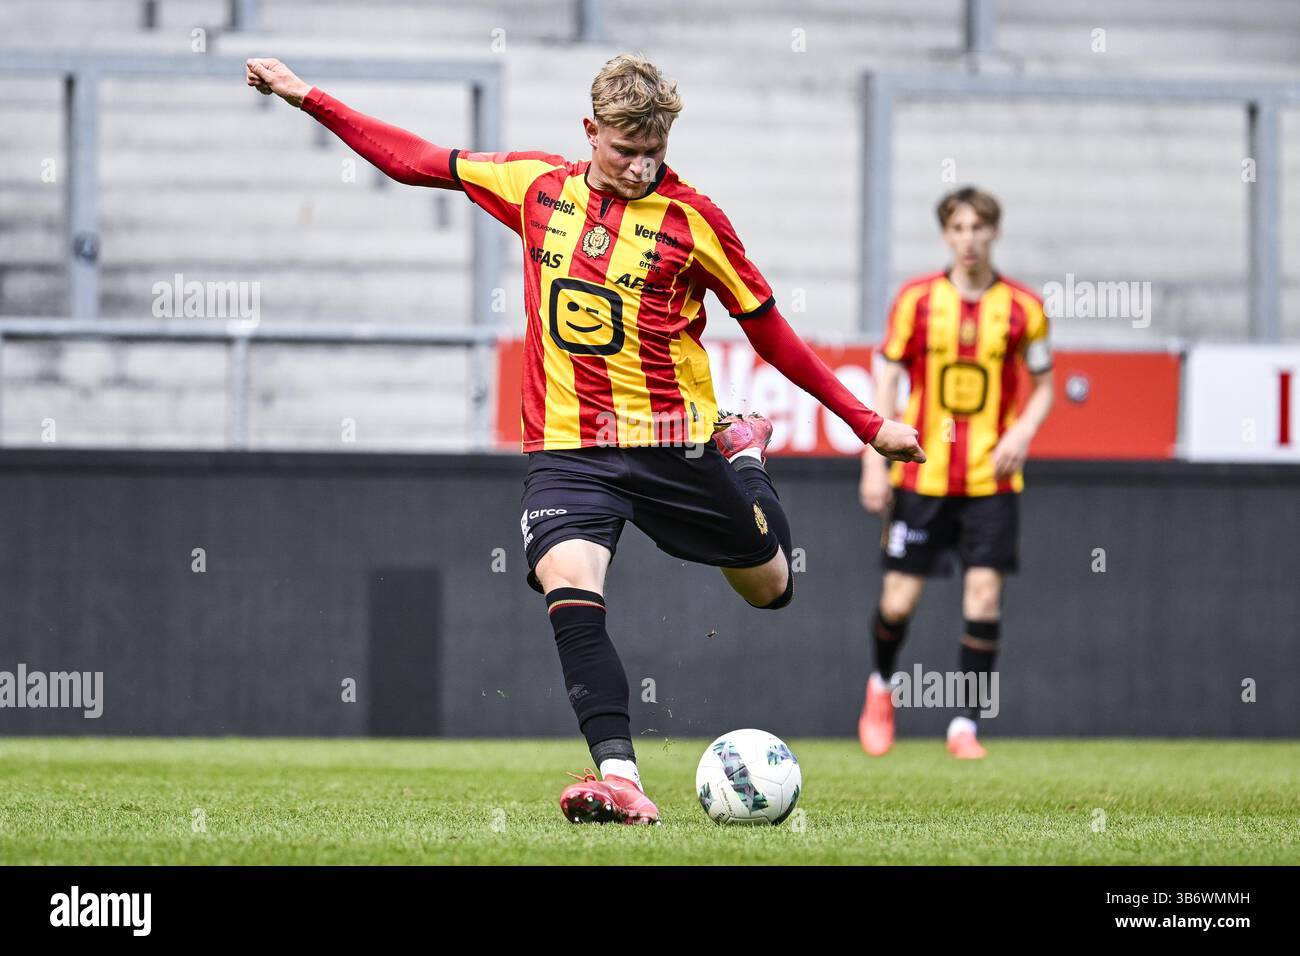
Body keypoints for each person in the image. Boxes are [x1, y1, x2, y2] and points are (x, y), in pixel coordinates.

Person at [247, 52, 923, 822]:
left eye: (653, 153)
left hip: (674, 442)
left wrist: (867, 423)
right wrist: (308, 98)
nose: (639, 167)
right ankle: (622, 779)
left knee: (771, 589)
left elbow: (770, 332)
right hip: (569, 451)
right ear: (590, 131)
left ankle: (744, 456)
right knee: (572, 594)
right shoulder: (537, 187)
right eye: (624, 149)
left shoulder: (693, 220)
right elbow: (416, 162)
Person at [857, 187, 1053, 760]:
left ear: (995, 232)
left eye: (979, 227)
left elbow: (1043, 385)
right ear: (946, 234)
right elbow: (887, 383)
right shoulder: (916, 301)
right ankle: (880, 688)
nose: (969, 238)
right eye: (958, 228)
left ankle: (964, 723)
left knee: (985, 595)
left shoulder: (1024, 308)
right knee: (898, 601)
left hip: (991, 479)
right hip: (923, 475)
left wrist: (1021, 433)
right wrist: (874, 462)